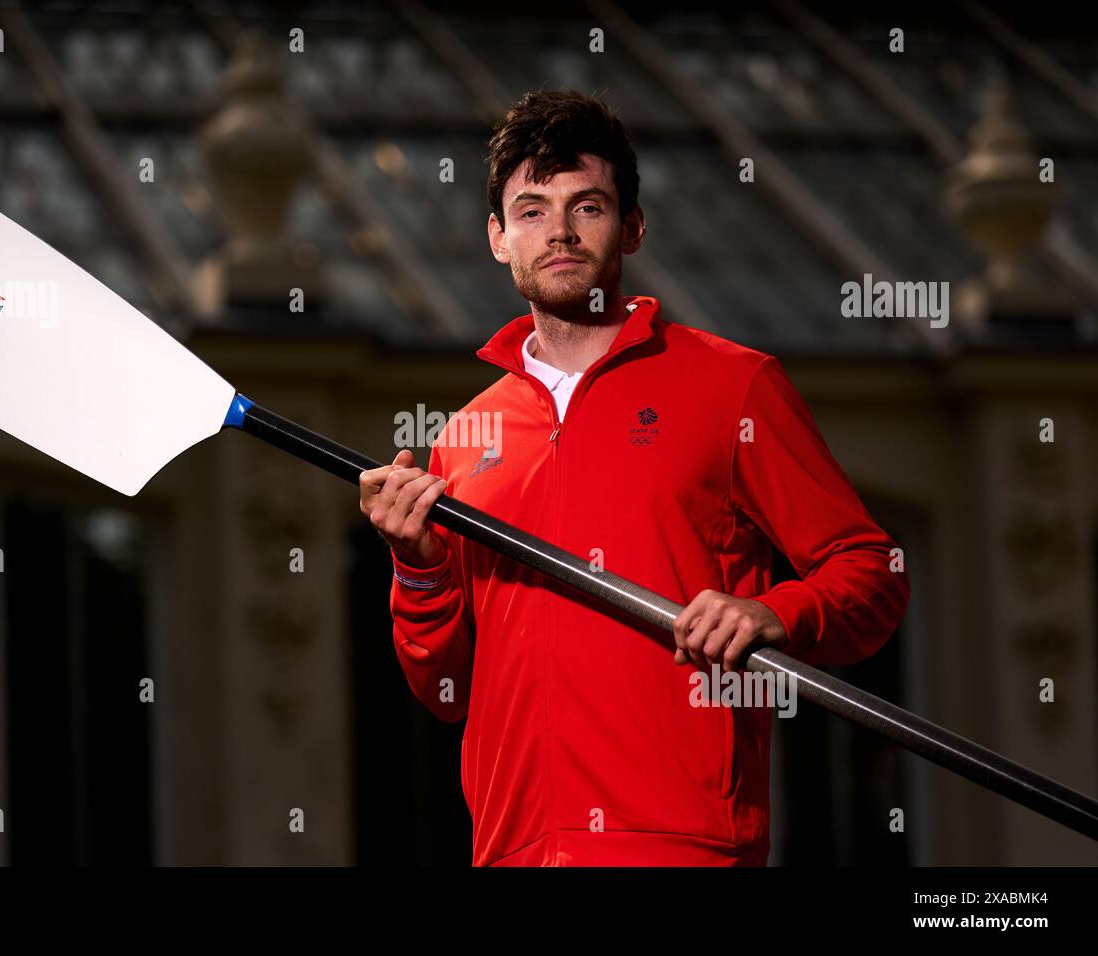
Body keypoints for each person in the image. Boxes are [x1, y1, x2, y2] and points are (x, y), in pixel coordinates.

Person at [358, 90, 910, 866]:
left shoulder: (733, 387)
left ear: (632, 227)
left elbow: (873, 573)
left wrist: (773, 611)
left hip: (680, 846)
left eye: (587, 207)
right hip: (513, 850)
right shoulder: (462, 438)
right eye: (531, 210)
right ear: (497, 238)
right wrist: (415, 570)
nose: (558, 231)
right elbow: (441, 686)